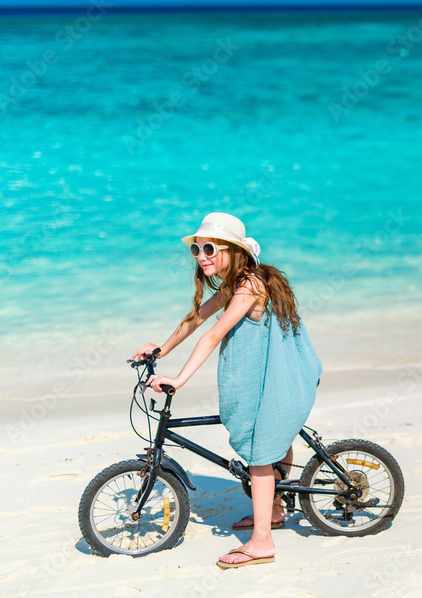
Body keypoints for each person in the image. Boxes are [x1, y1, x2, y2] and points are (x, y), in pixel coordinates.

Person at [132, 212, 322, 568]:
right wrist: (160, 349)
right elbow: (195, 319)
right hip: (266, 377)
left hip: (281, 378)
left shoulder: (250, 286)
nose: (202, 255)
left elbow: (213, 335)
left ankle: (262, 542)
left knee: (261, 454)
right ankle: (275, 511)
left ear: (233, 252)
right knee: (269, 441)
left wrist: (179, 379)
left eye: (209, 248)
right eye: (197, 250)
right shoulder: (232, 286)